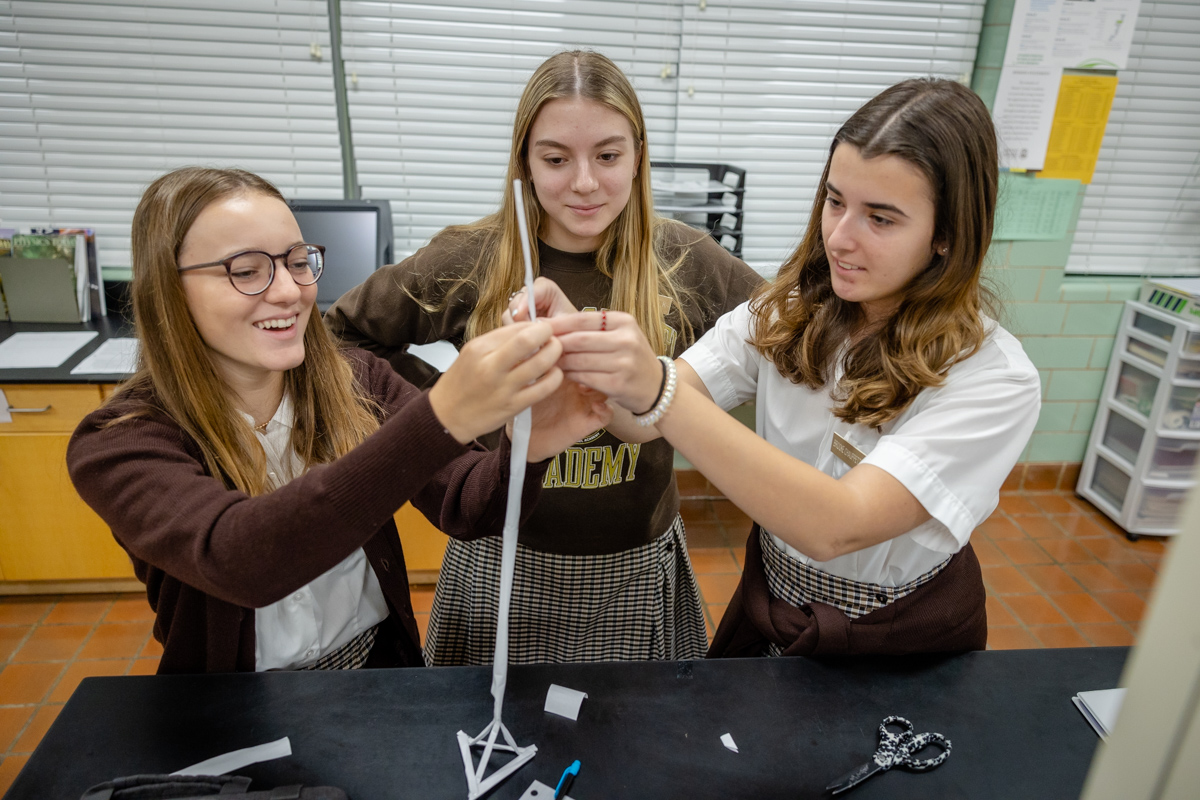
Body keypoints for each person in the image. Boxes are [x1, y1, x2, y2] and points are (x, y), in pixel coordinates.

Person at [528, 78, 1042, 657]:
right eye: (835, 201)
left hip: (900, 639)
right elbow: (639, 425)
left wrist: (656, 388)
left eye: (881, 218)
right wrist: (581, 350)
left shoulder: (993, 380)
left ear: (947, 234)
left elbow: (836, 525)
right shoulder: (786, 314)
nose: (840, 239)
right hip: (771, 606)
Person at [66, 166, 608, 674]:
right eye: (247, 271)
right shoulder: (120, 443)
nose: (289, 291)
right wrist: (444, 415)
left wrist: (530, 442)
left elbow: (467, 505)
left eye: (298, 262)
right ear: (168, 291)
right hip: (232, 711)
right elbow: (242, 560)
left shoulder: (357, 380)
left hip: (374, 673)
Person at [325, 50, 764, 665]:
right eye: (556, 159)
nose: (584, 183)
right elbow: (339, 338)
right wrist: (450, 405)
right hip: (498, 567)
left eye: (608, 156)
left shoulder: (686, 258)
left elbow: (784, 333)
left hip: (633, 572)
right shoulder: (469, 258)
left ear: (638, 156)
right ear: (524, 162)